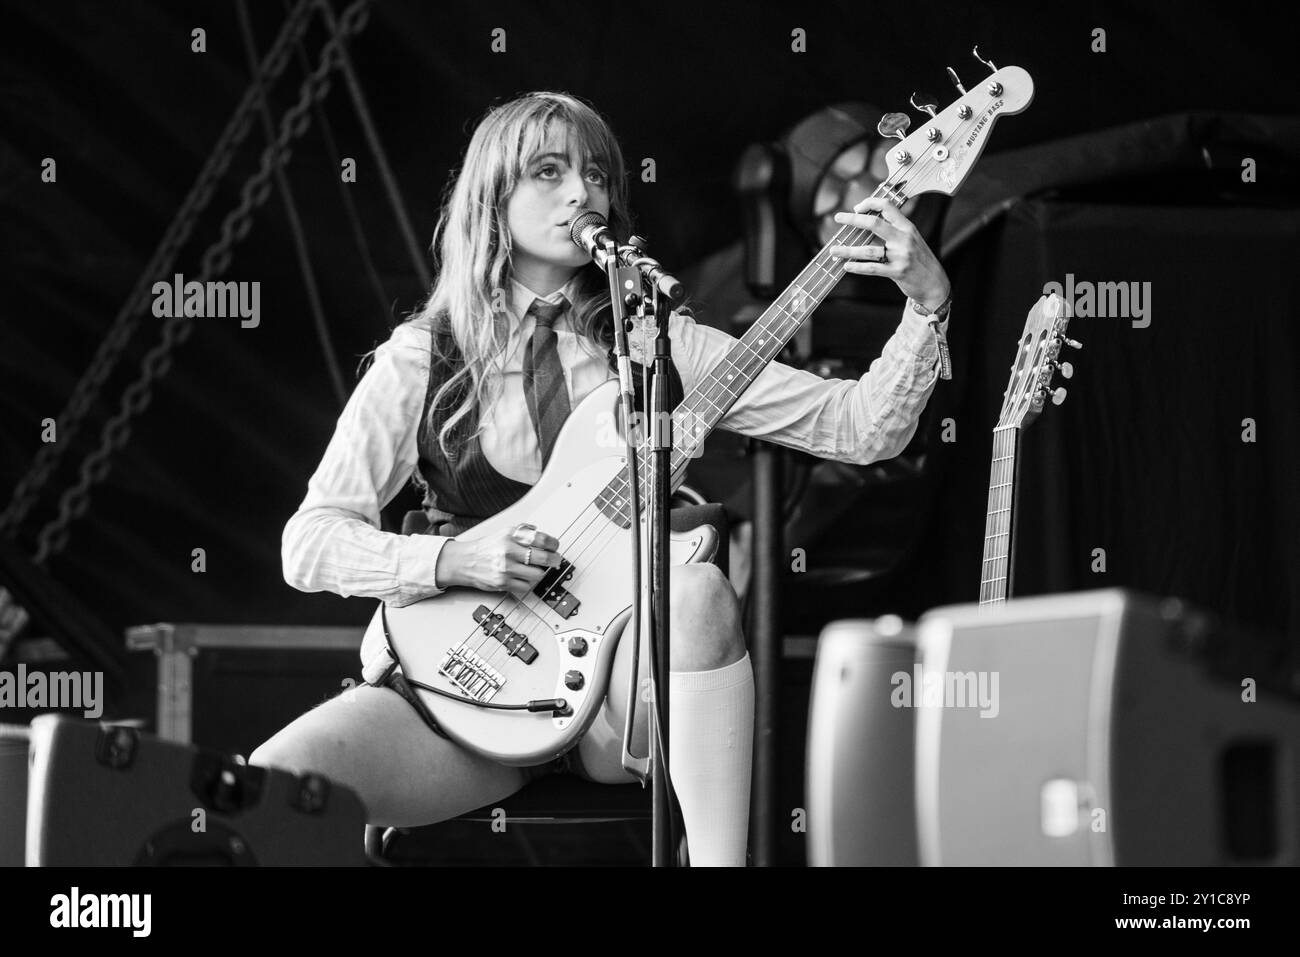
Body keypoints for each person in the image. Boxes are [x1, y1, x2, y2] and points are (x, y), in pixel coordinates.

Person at [249, 91, 952, 867]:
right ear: (493, 197)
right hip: (458, 692)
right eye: (548, 172)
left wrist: (927, 305)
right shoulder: (423, 357)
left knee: (699, 592)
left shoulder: (659, 344)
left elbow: (862, 428)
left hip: (615, 710)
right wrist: (450, 560)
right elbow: (308, 544)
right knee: (266, 788)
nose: (582, 192)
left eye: (595, 175)